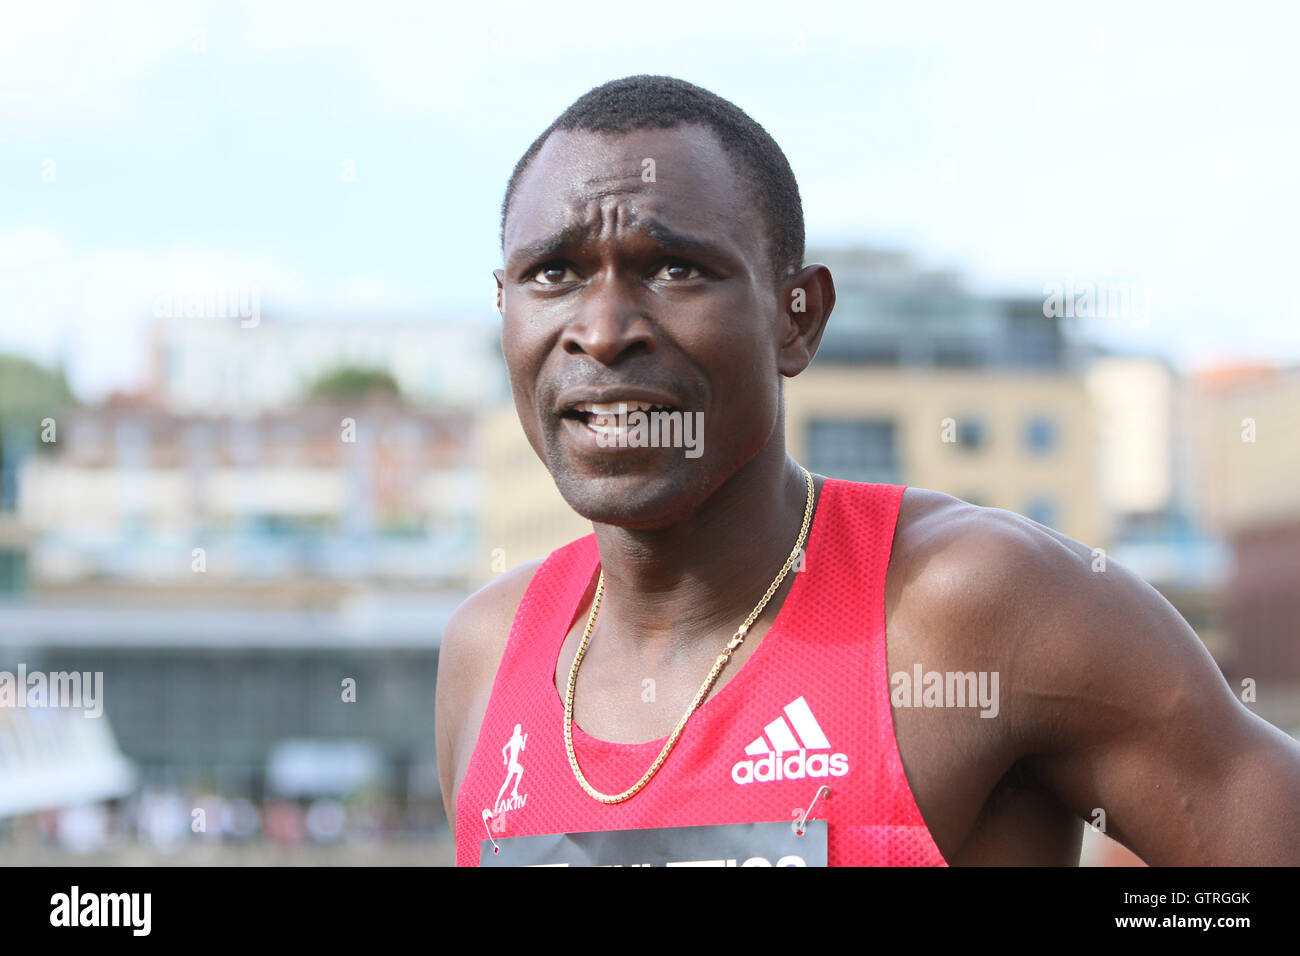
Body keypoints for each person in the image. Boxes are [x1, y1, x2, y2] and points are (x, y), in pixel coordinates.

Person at [436, 74, 1300, 866]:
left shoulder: (980, 605)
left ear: (797, 318)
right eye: (553, 274)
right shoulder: (486, 654)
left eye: (674, 268)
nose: (603, 328)